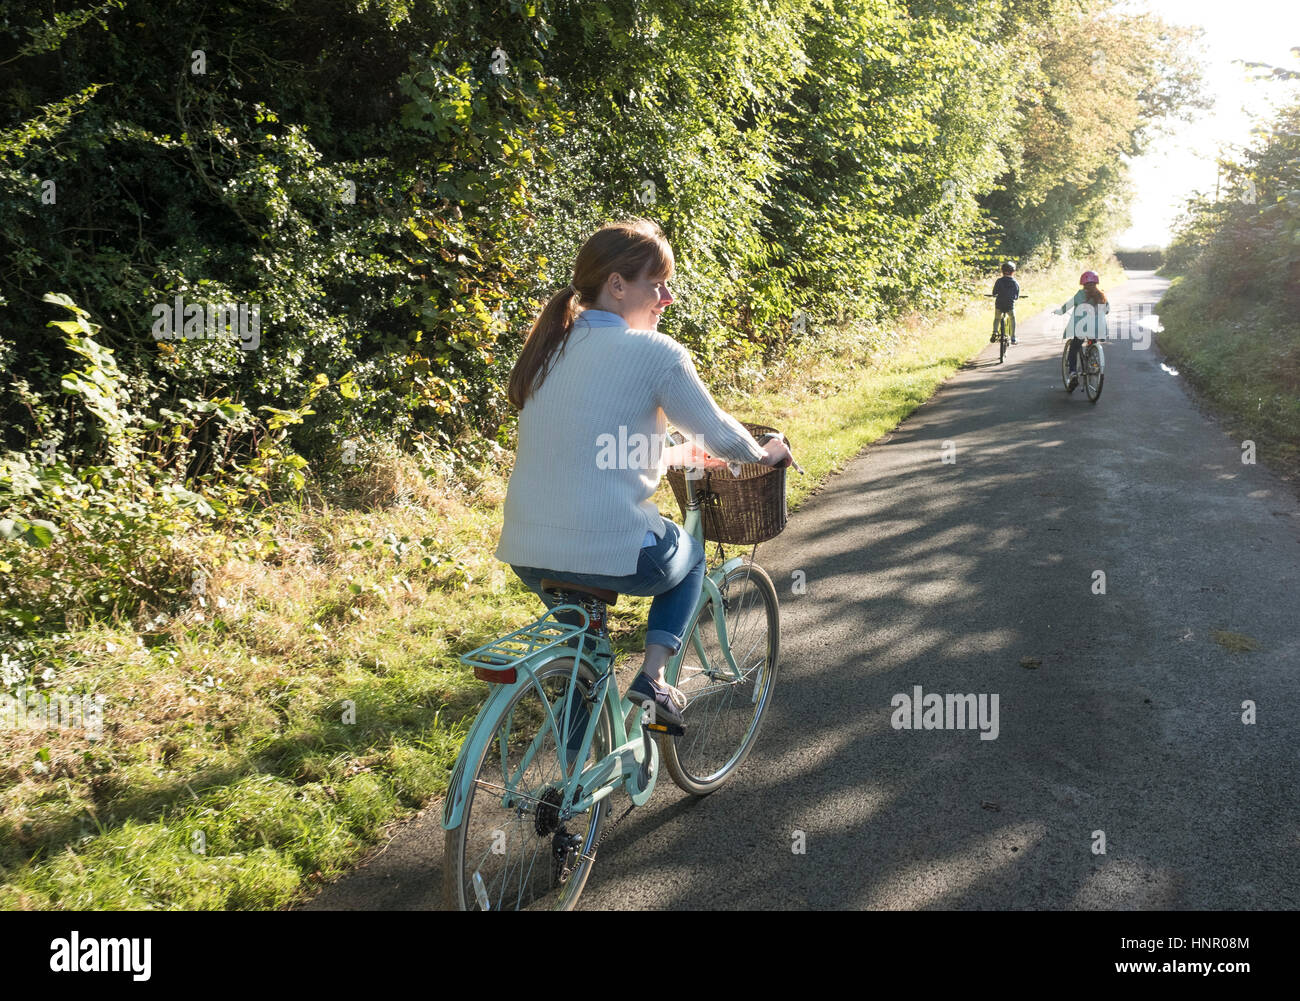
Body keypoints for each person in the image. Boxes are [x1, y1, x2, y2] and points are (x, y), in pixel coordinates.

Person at [496, 218, 792, 732]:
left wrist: (677, 456)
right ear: (616, 284)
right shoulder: (656, 353)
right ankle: (653, 681)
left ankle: (563, 788)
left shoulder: (548, 351)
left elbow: (603, 447)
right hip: (609, 547)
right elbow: (720, 432)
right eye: (656, 284)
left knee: (584, 653)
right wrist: (763, 454)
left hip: (527, 548)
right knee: (691, 556)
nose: (667, 297)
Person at [1054, 271, 1110, 391]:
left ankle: (1073, 372)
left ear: (1082, 284)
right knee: (1092, 342)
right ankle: (1093, 364)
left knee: (1074, 348)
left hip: (1081, 328)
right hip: (1097, 329)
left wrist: (1059, 311)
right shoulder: (1101, 295)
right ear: (1096, 283)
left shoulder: (1080, 294)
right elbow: (1107, 310)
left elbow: (1067, 306)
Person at [990, 261, 1020, 345]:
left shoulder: (999, 281)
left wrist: (996, 294)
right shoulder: (1015, 283)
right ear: (1013, 272)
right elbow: (1016, 297)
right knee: (1012, 318)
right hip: (1009, 305)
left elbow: (994, 293)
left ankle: (995, 332)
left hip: (999, 304)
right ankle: (1013, 337)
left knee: (997, 318)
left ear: (1002, 271)